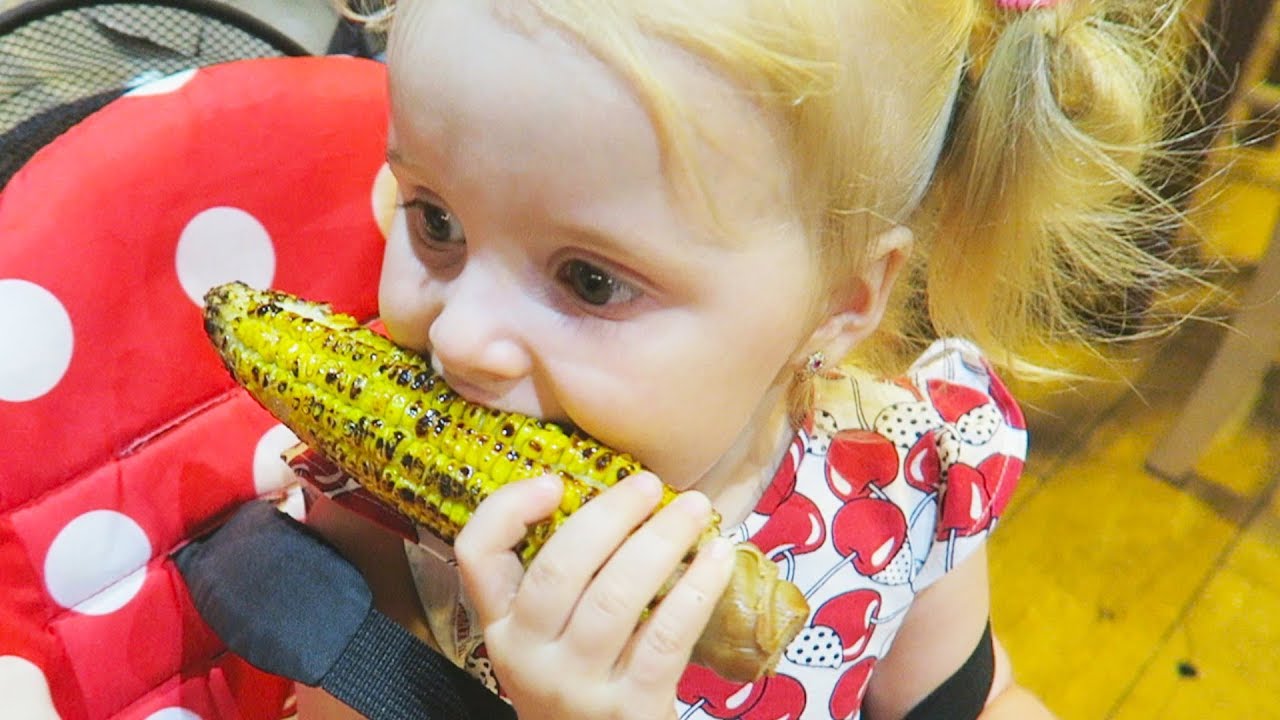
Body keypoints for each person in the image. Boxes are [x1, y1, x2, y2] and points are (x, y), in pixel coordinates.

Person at [296, 1, 1197, 718]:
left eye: (590, 281)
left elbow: (980, 699)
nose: (456, 338)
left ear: (838, 304)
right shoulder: (379, 525)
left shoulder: (900, 478)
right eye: (435, 220)